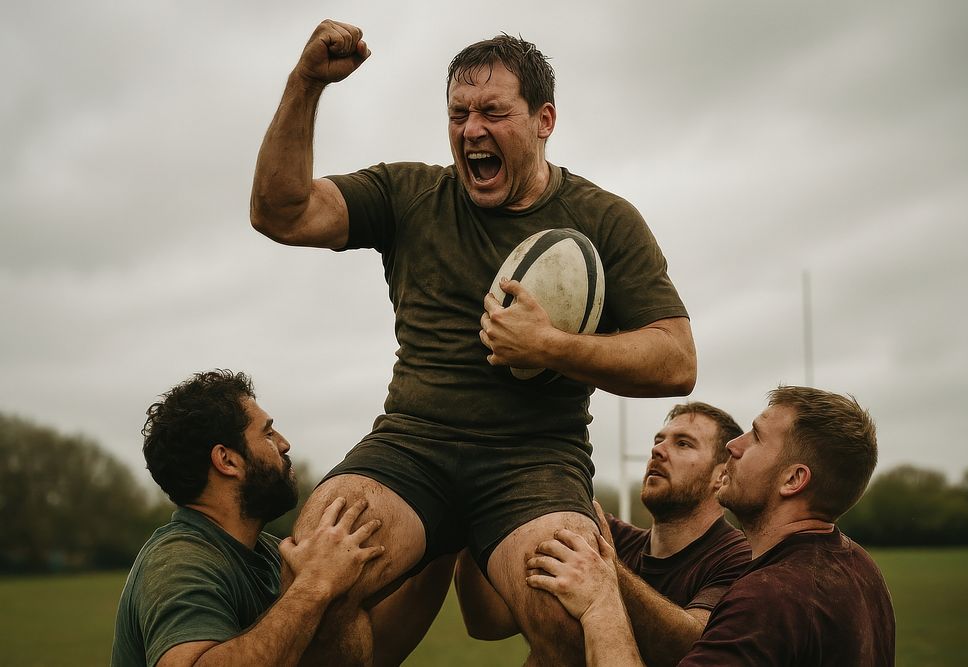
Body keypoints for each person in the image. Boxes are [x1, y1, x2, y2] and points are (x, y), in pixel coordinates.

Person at [249, 19, 697, 666]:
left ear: (544, 120)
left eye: (493, 112)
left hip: (534, 463)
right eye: (458, 114)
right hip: (412, 447)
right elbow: (280, 212)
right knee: (314, 571)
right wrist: (306, 83)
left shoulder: (605, 220)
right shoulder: (408, 194)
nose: (471, 130)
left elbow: (676, 359)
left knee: (570, 614)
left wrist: (551, 346)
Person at [527, 386, 896, 666]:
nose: (734, 446)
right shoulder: (860, 567)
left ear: (793, 480)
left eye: (756, 437)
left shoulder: (770, 599)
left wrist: (602, 602)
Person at [111, 370, 385, 667]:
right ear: (227, 460)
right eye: (268, 433)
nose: (284, 443)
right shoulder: (177, 562)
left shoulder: (271, 552)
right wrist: (315, 584)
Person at [454, 401, 750, 665]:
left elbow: (692, 648)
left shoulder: (740, 558)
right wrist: (478, 509)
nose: (657, 450)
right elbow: (489, 623)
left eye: (683, 444)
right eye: (658, 440)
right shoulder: (604, 535)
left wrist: (609, 573)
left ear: (721, 475)